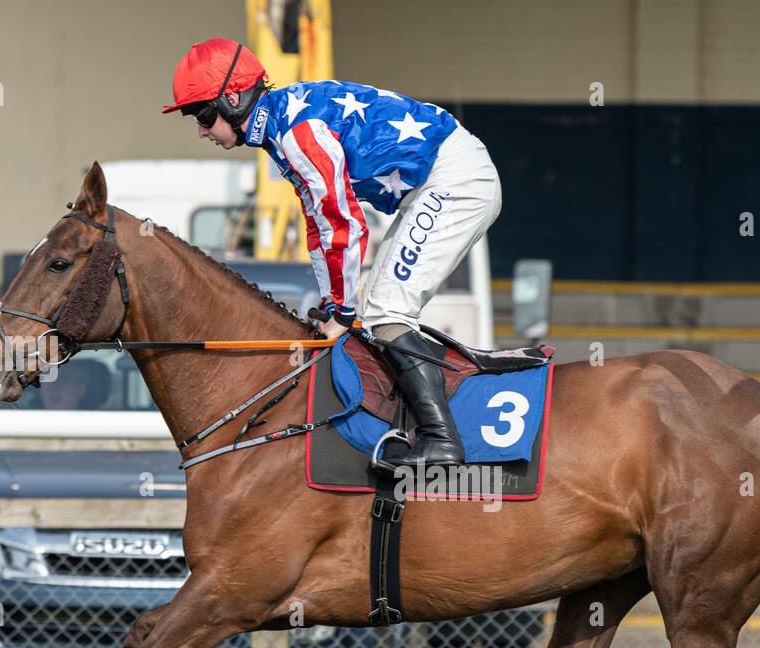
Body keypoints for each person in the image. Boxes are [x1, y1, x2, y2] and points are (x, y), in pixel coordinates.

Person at [163, 37, 506, 467]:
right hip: (434, 183)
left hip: (455, 181)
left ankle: (442, 441)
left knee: (384, 312)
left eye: (203, 114)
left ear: (233, 98)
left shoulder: (294, 132)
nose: (200, 130)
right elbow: (318, 225)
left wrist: (340, 312)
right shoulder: (280, 127)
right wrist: (333, 305)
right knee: (373, 312)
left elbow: (342, 223)